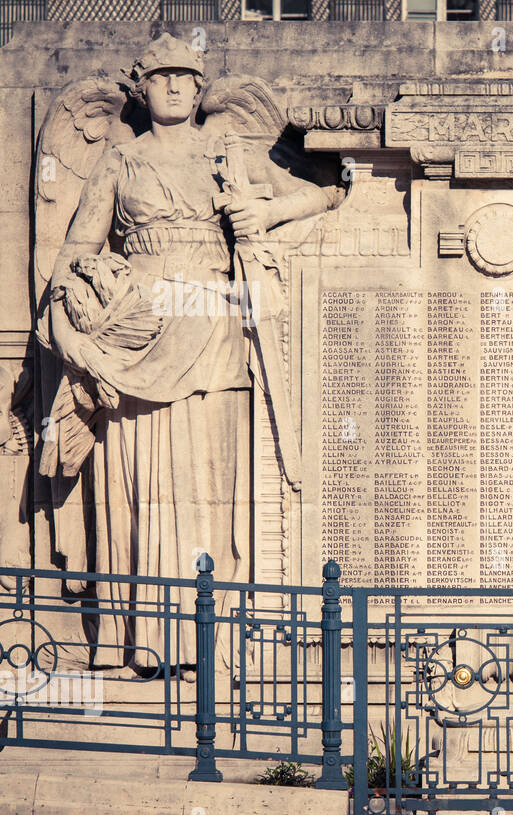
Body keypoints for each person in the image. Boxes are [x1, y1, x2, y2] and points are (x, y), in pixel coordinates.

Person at [45, 34, 334, 677]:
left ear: (200, 89)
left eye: (187, 77)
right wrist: (72, 323)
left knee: (207, 486)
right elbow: (75, 250)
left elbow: (323, 192)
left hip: (212, 326)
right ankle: (135, 644)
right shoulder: (120, 161)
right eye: (162, 77)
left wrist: (263, 210)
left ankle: (209, 648)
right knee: (135, 488)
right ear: (142, 89)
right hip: (136, 333)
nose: (176, 87)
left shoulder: (226, 151)